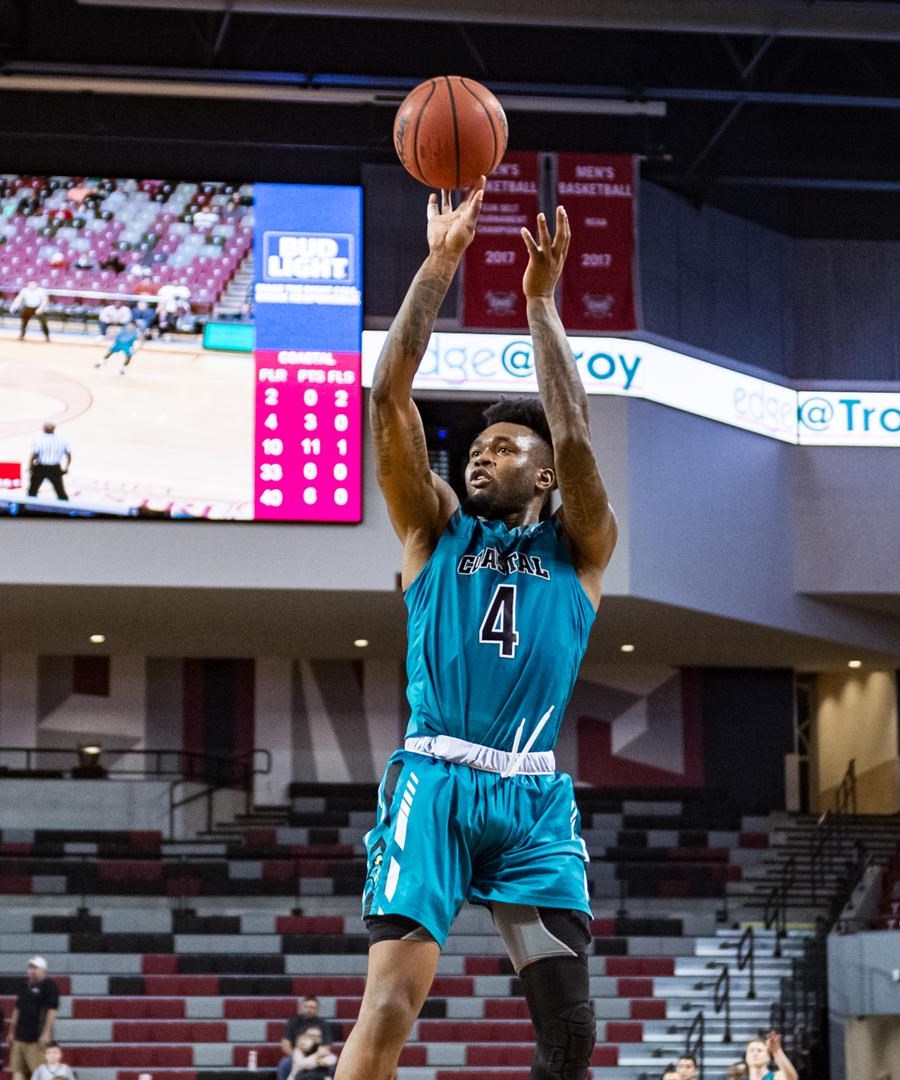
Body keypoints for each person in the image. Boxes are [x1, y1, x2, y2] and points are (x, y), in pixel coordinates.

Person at [335, 191, 618, 1080]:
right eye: (476, 448)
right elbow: (388, 394)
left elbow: (573, 432)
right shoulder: (435, 530)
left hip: (530, 800)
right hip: (437, 776)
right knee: (388, 1009)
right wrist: (441, 263)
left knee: (570, 1037)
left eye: (503, 446)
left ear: (543, 476)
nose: (480, 456)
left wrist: (541, 303)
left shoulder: (581, 546)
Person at [7, 957, 60, 1079]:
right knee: (17, 1070)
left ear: (43, 970)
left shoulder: (49, 986)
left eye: (35, 968)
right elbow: (17, 1010)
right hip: (19, 1038)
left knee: (39, 1073)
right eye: (30, 967)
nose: (31, 970)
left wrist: (46, 1032)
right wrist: (11, 1031)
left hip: (36, 1038)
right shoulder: (24, 986)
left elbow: (52, 1010)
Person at [278, 998, 341, 1080]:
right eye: (306, 1006)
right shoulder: (293, 1022)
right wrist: (299, 1058)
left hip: (318, 1056)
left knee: (333, 1064)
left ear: (317, 1009)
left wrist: (314, 1059)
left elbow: (326, 1047)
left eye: (312, 1007)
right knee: (285, 1063)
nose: (309, 1009)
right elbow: (286, 1045)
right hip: (295, 1056)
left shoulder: (323, 1024)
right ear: (301, 1007)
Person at [27, 422, 71, 501]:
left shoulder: (38, 440)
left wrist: (31, 467)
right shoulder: (62, 440)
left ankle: (28, 507)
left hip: (41, 467)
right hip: (55, 468)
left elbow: (33, 455)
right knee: (60, 491)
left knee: (33, 490)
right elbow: (69, 455)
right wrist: (66, 467)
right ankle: (66, 508)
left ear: (43, 429)